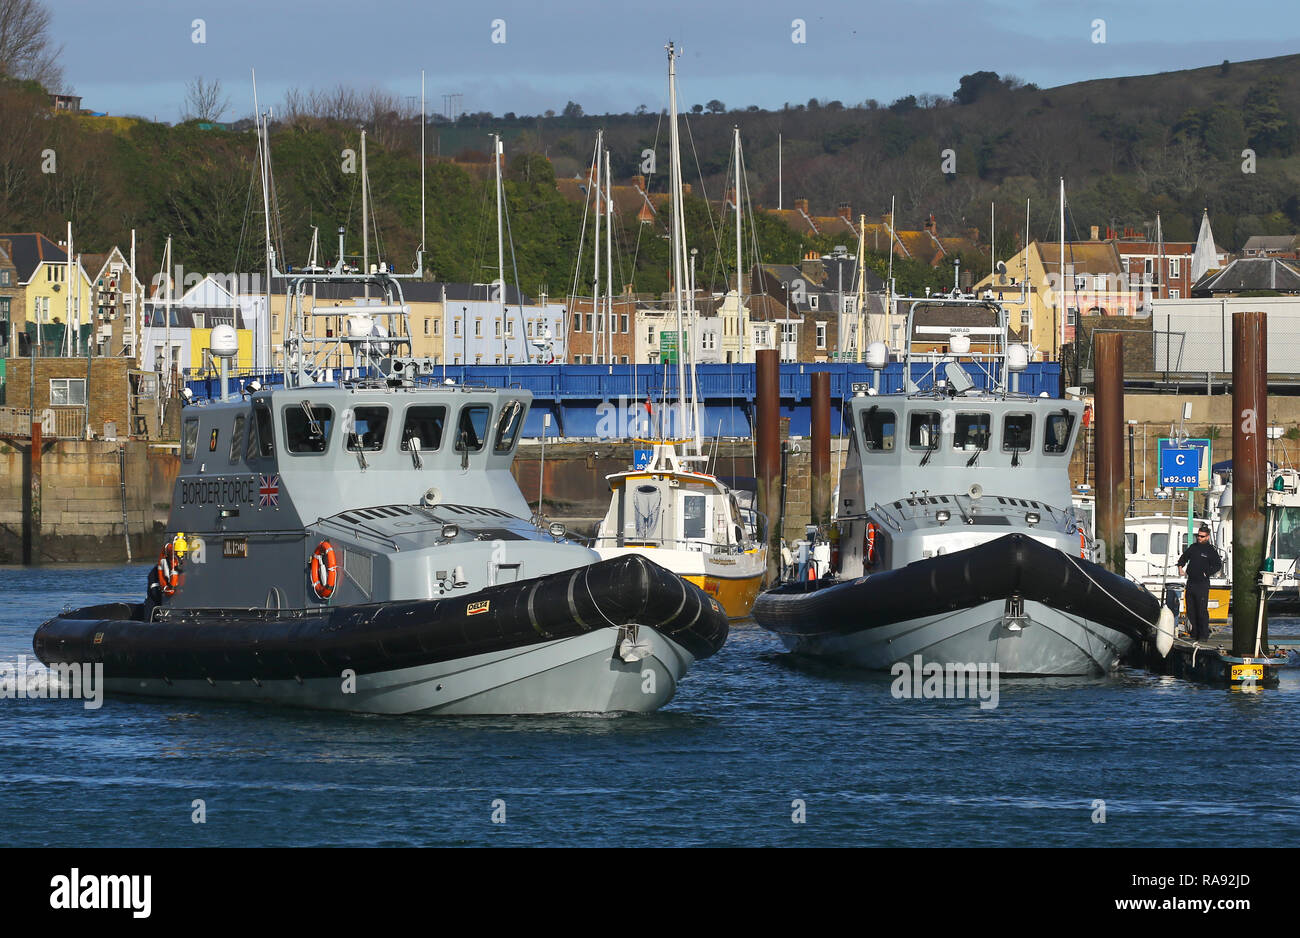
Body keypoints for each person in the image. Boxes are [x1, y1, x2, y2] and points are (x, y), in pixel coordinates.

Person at [1177, 523, 1222, 641]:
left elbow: (1218, 565)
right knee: (1191, 610)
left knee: (1201, 610)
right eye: (1198, 536)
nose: (1199, 538)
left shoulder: (1210, 550)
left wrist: (1207, 572)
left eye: (1202, 536)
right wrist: (1180, 567)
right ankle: (1195, 633)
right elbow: (1183, 557)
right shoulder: (1193, 547)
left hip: (1202, 584)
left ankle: (1203, 635)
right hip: (1191, 582)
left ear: (1207, 537)